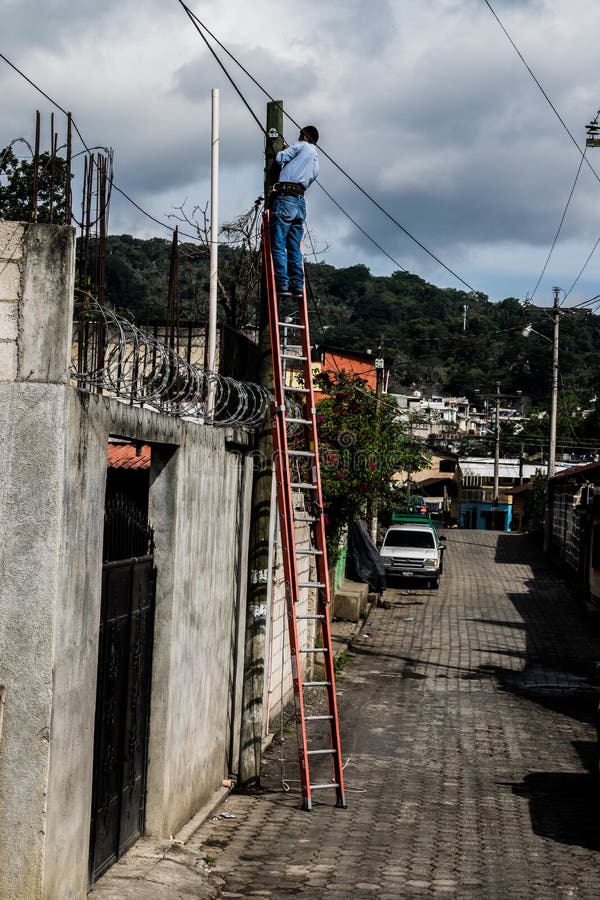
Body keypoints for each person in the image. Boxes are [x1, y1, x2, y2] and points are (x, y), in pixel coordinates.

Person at [269, 125, 319, 300]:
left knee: (278, 244)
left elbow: (280, 158)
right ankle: (297, 285)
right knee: (294, 247)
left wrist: (285, 150)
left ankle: (282, 284)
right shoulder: (315, 158)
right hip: (300, 202)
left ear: (304, 136)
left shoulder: (301, 145)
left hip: (285, 198)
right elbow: (313, 176)